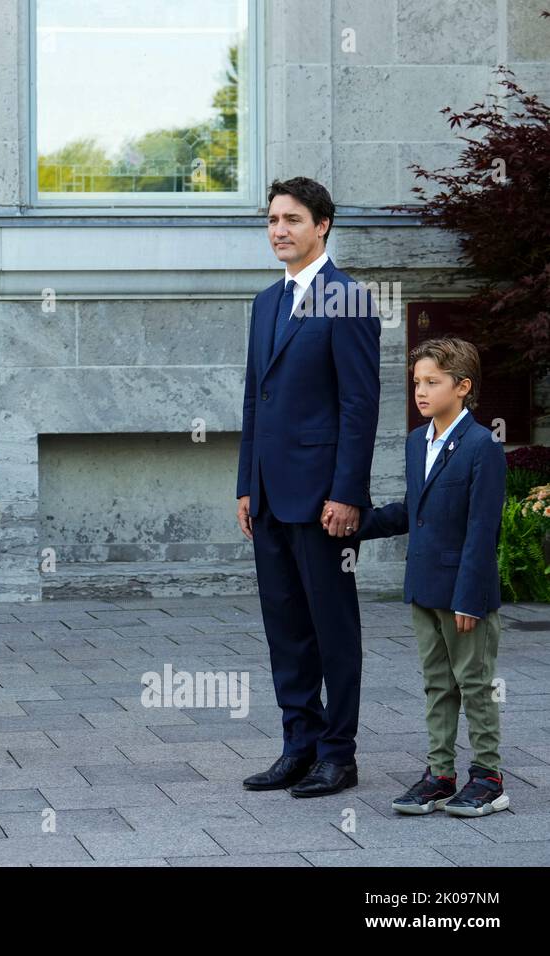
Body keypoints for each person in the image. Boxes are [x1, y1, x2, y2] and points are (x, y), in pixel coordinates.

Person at [236, 177, 381, 798]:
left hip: (324, 500)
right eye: (272, 220)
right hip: (269, 496)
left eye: (291, 219)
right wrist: (247, 484)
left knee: (331, 628)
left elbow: (360, 404)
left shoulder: (349, 299)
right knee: (286, 627)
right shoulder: (266, 302)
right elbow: (254, 401)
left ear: (322, 225)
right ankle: (298, 745)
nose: (278, 230)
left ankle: (337, 754)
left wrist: (347, 493)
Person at [356, 338, 509, 817]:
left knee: (474, 682)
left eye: (432, 382)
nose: (421, 391)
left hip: (465, 593)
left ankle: (488, 777)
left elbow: (483, 531)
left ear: (462, 387)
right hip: (423, 585)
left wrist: (469, 598)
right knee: (437, 684)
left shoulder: (483, 447)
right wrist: (358, 523)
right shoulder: (416, 442)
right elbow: (415, 510)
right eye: (417, 382)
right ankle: (440, 775)